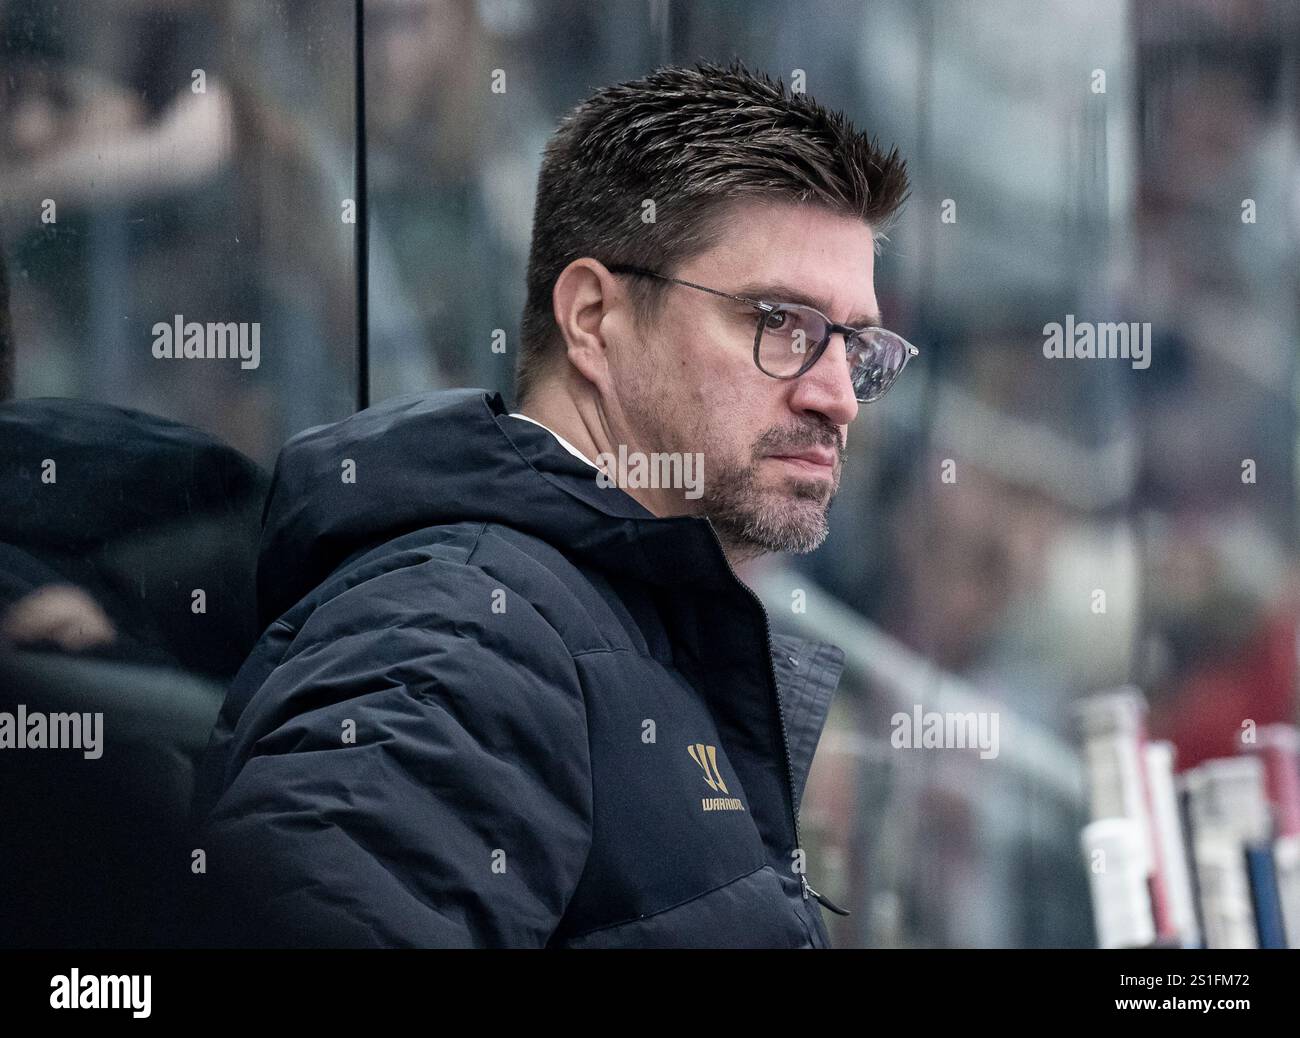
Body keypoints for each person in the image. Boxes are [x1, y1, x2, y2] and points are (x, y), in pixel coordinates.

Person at [188, 59, 915, 948]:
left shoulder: (610, 624)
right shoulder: (460, 635)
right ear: (592, 318)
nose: (836, 395)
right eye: (780, 323)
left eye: (856, 347)